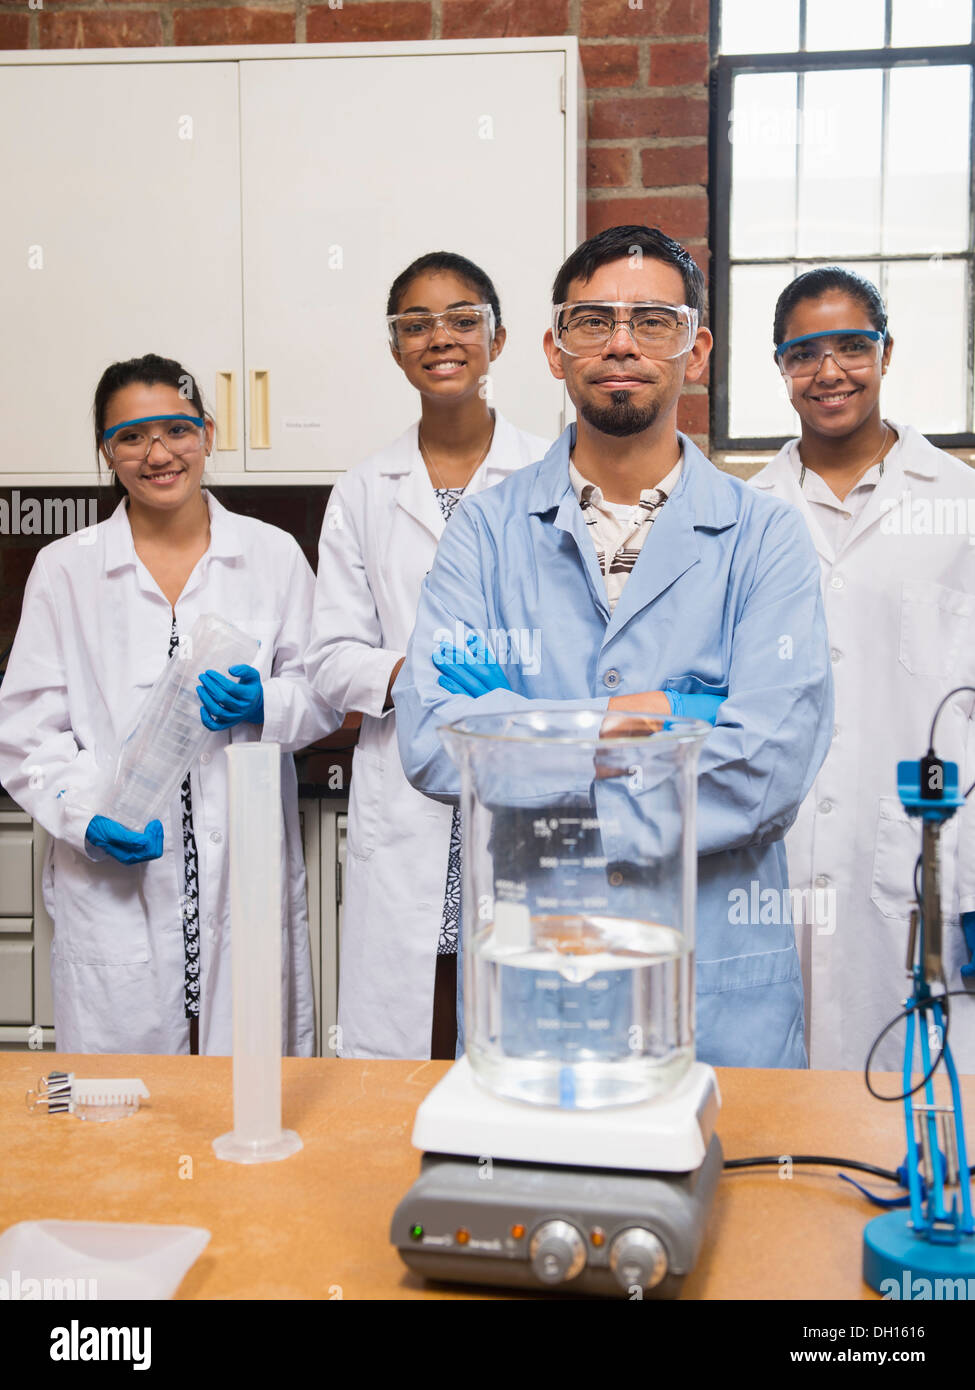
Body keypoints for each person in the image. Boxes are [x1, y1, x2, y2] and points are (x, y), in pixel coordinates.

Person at [395, 224, 834, 1069]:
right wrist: (655, 723)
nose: (621, 344)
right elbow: (437, 739)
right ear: (557, 351)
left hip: (714, 994)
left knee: (719, 1194)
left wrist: (536, 739)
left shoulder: (763, 537)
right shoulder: (483, 533)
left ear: (695, 350)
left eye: (654, 322)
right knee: (536, 1197)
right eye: (592, 321)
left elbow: (770, 763)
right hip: (535, 987)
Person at [0, 354, 338, 1055]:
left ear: (208, 433)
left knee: (244, 1085)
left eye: (176, 429)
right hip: (116, 870)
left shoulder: (271, 556)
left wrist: (264, 704)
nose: (157, 453)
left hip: (239, 858)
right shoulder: (66, 569)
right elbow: (29, 730)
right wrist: (84, 813)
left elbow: (321, 692)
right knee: (122, 1103)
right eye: (131, 436)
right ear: (106, 452)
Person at [305, 252, 552, 1060]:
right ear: (395, 347)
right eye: (416, 324)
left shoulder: (553, 472)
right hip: (405, 789)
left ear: (499, 337)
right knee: (413, 1013)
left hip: (519, 774)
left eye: (460, 319)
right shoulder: (365, 489)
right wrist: (418, 677)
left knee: (514, 1009)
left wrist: (514, 682)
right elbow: (330, 655)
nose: (438, 337)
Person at [750, 267, 975, 1071]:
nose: (829, 371)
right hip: (776, 848)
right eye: (804, 353)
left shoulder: (960, 505)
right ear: (779, 368)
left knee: (916, 1089)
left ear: (886, 354)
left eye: (852, 346)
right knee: (775, 1089)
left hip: (920, 850)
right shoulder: (747, 511)